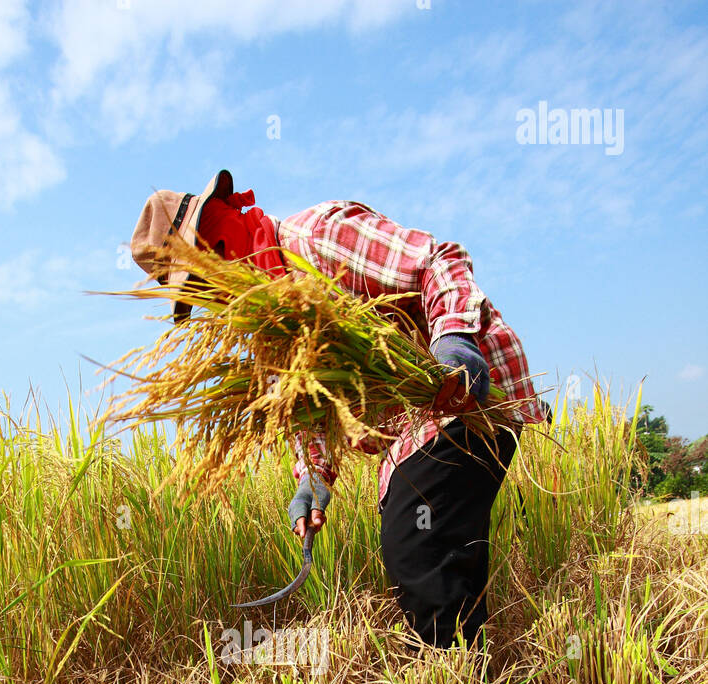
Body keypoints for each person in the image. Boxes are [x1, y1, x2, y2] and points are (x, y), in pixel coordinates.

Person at [130, 169, 547, 649]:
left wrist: (453, 337)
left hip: (467, 393)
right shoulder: (275, 329)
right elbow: (312, 413)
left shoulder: (315, 238)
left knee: (417, 543)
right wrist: (313, 479)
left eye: (200, 280)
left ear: (217, 242)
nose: (210, 298)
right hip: (412, 429)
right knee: (429, 548)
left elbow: (437, 260)